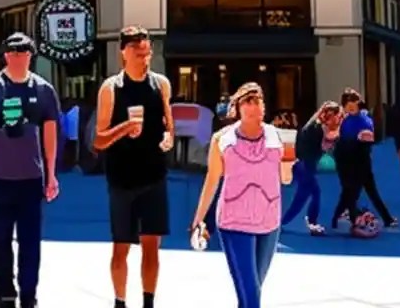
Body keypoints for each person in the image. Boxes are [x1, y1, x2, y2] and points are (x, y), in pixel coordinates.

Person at [0, 32, 61, 308]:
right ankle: (5, 295)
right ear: (5, 56)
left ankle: (29, 296)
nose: (18, 57)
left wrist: (51, 174)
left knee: (31, 243)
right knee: (0, 240)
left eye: (23, 53)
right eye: (13, 52)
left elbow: (50, 133)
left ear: (31, 56)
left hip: (31, 178)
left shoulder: (43, 90)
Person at [93, 26, 175, 308]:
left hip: (154, 176)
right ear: (124, 54)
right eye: (138, 54)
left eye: (147, 53)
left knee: (152, 247)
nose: (144, 59)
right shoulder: (111, 88)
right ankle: (120, 302)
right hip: (122, 180)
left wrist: (168, 138)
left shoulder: (161, 85)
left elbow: (169, 126)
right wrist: (125, 128)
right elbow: (99, 140)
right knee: (121, 247)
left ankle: (148, 302)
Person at [191, 83, 291, 308]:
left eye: (257, 101)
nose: (253, 106)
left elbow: (285, 179)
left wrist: (289, 165)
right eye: (247, 101)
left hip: (268, 223)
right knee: (251, 296)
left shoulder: (275, 136)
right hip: (234, 222)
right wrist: (198, 220)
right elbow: (212, 180)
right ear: (237, 107)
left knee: (252, 293)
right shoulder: (222, 139)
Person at [330, 88, 397, 229]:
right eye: (348, 105)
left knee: (358, 191)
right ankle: (347, 218)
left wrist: (364, 138)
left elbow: (369, 137)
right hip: (349, 161)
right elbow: (342, 140)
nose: (351, 107)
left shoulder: (363, 118)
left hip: (361, 159)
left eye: (353, 104)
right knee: (352, 192)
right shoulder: (346, 121)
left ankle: (344, 218)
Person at [281, 101, 341, 235]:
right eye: (337, 116)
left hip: (303, 165)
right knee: (302, 198)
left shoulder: (313, 125)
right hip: (305, 167)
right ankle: (286, 222)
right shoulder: (317, 128)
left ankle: (309, 222)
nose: (338, 119)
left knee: (312, 194)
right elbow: (321, 146)